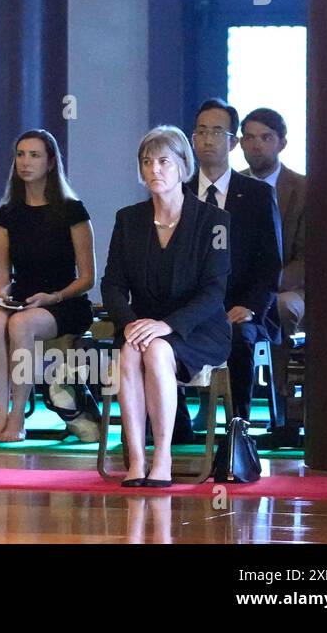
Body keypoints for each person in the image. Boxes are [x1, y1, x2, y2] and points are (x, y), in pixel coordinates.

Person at [101, 126, 231, 487]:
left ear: (183, 166)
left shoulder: (214, 222)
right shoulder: (128, 219)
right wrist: (128, 323)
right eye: (147, 162)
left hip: (197, 329)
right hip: (142, 325)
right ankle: (136, 460)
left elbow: (214, 292)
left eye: (164, 161)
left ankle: (163, 456)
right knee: (130, 351)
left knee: (155, 350)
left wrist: (167, 326)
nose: (154, 169)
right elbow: (112, 284)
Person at [0, 130, 97, 443]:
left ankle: (18, 417)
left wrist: (53, 297)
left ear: (50, 162)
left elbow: (88, 277)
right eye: (20, 154)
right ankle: (1, 415)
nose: (25, 162)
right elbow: (2, 275)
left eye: (34, 155)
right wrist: (0, 293)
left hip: (64, 300)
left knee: (20, 324)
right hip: (23, 297)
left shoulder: (72, 210)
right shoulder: (7, 214)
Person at [187, 98, 282, 428]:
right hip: (188, 306)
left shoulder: (256, 195)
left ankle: (235, 425)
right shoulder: (178, 192)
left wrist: (251, 306)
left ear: (232, 141)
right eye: (201, 131)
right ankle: (174, 427)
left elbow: (270, 264)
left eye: (217, 131)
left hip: (240, 306)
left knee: (238, 336)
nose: (208, 139)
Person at [239, 107, 306, 436]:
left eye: (265, 138)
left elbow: (310, 256)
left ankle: (283, 409)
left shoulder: (304, 189)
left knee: (278, 307)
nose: (256, 145)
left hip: (290, 288)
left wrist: (266, 285)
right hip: (238, 287)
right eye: (249, 137)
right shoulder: (231, 186)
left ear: (282, 143)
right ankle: (216, 405)